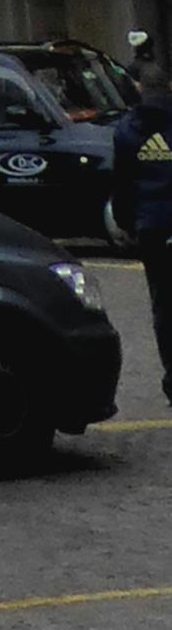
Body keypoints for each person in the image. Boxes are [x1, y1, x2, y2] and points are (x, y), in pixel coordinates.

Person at [108, 77, 172, 401]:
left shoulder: (127, 131)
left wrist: (126, 221)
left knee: (163, 305)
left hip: (151, 228)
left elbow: (122, 184)